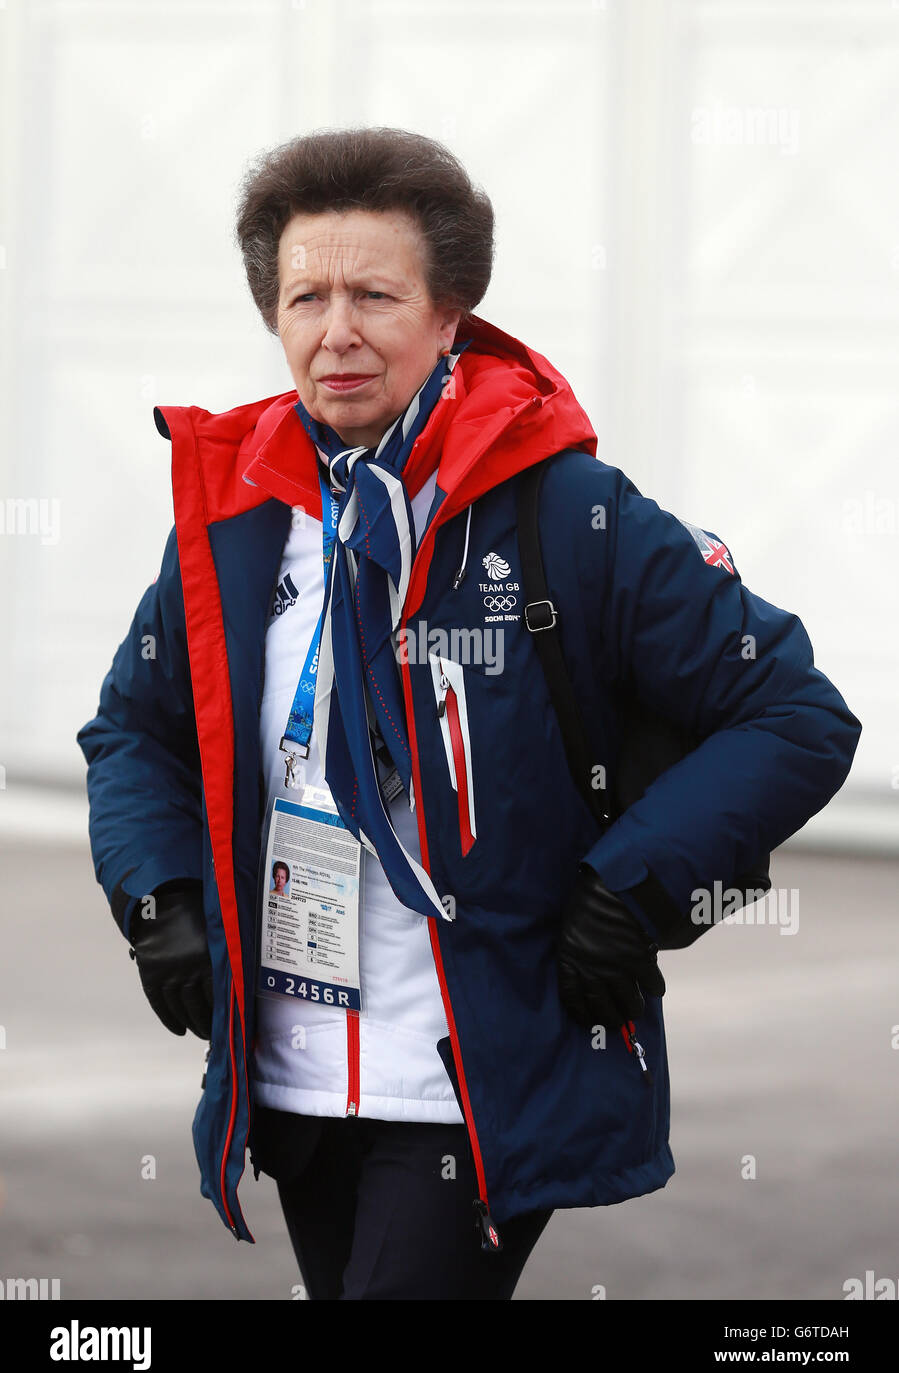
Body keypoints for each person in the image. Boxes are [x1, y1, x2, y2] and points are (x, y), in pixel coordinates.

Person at [76, 126, 862, 1301]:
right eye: (306, 297)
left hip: (469, 1080)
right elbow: (132, 732)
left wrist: (630, 884)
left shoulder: (563, 508)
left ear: (450, 315)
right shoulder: (232, 514)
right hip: (292, 1073)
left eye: (375, 296)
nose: (335, 332)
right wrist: (160, 896)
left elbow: (793, 712)